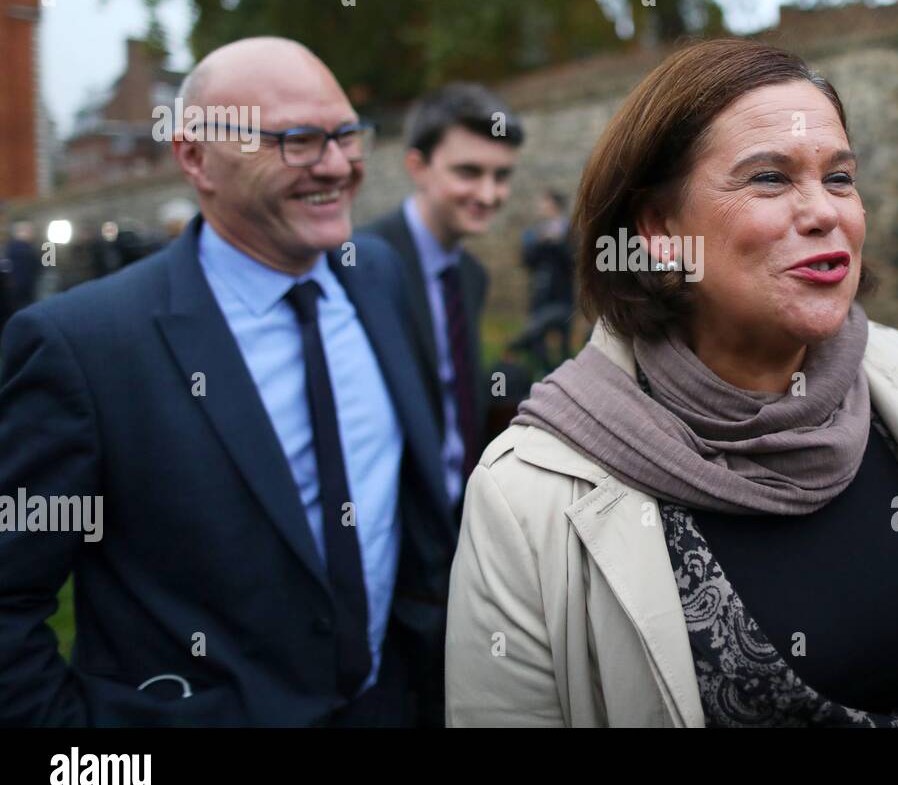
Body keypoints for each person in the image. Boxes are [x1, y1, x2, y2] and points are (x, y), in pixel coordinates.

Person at [446, 38, 898, 728]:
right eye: (770, 177)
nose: (825, 211)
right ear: (658, 228)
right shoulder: (527, 493)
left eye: (840, 177)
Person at [0, 37, 455, 727]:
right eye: (298, 140)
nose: (335, 165)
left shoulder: (381, 276)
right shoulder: (84, 347)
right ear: (194, 156)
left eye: (346, 135)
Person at [365, 84, 523, 514]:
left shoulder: (471, 276)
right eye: (469, 172)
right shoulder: (362, 266)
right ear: (417, 166)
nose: (489, 195)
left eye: (502, 176)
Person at [509, 189, 576, 374]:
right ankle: (544, 373)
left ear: (554, 206)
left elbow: (574, 261)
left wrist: (557, 243)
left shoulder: (569, 231)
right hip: (540, 293)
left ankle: (566, 375)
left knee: (563, 341)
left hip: (562, 294)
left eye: (544, 203)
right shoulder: (536, 233)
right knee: (537, 338)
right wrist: (541, 242)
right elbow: (527, 260)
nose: (540, 208)